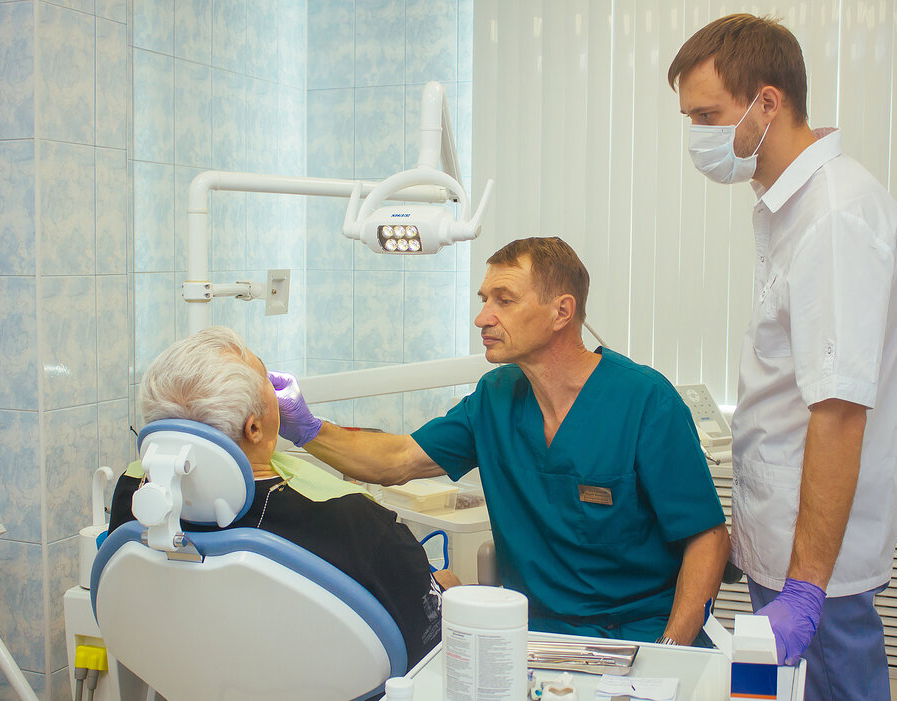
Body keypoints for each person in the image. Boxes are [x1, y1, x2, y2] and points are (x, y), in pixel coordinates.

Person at [271, 236, 730, 646]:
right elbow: (396, 460)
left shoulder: (645, 401)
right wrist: (306, 427)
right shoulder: (496, 397)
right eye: (483, 298)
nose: (481, 317)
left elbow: (707, 538)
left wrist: (671, 652)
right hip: (533, 636)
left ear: (561, 312)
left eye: (503, 300)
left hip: (640, 634)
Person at [667, 13, 897, 700]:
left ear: (767, 102)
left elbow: (837, 410)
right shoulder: (790, 209)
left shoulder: (837, 216)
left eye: (709, 115)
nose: (698, 137)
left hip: (816, 569)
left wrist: (806, 588)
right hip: (784, 544)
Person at [108, 326, 458, 668]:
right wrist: (445, 589)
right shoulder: (351, 520)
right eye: (266, 383)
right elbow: (428, 643)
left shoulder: (133, 493)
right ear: (254, 427)